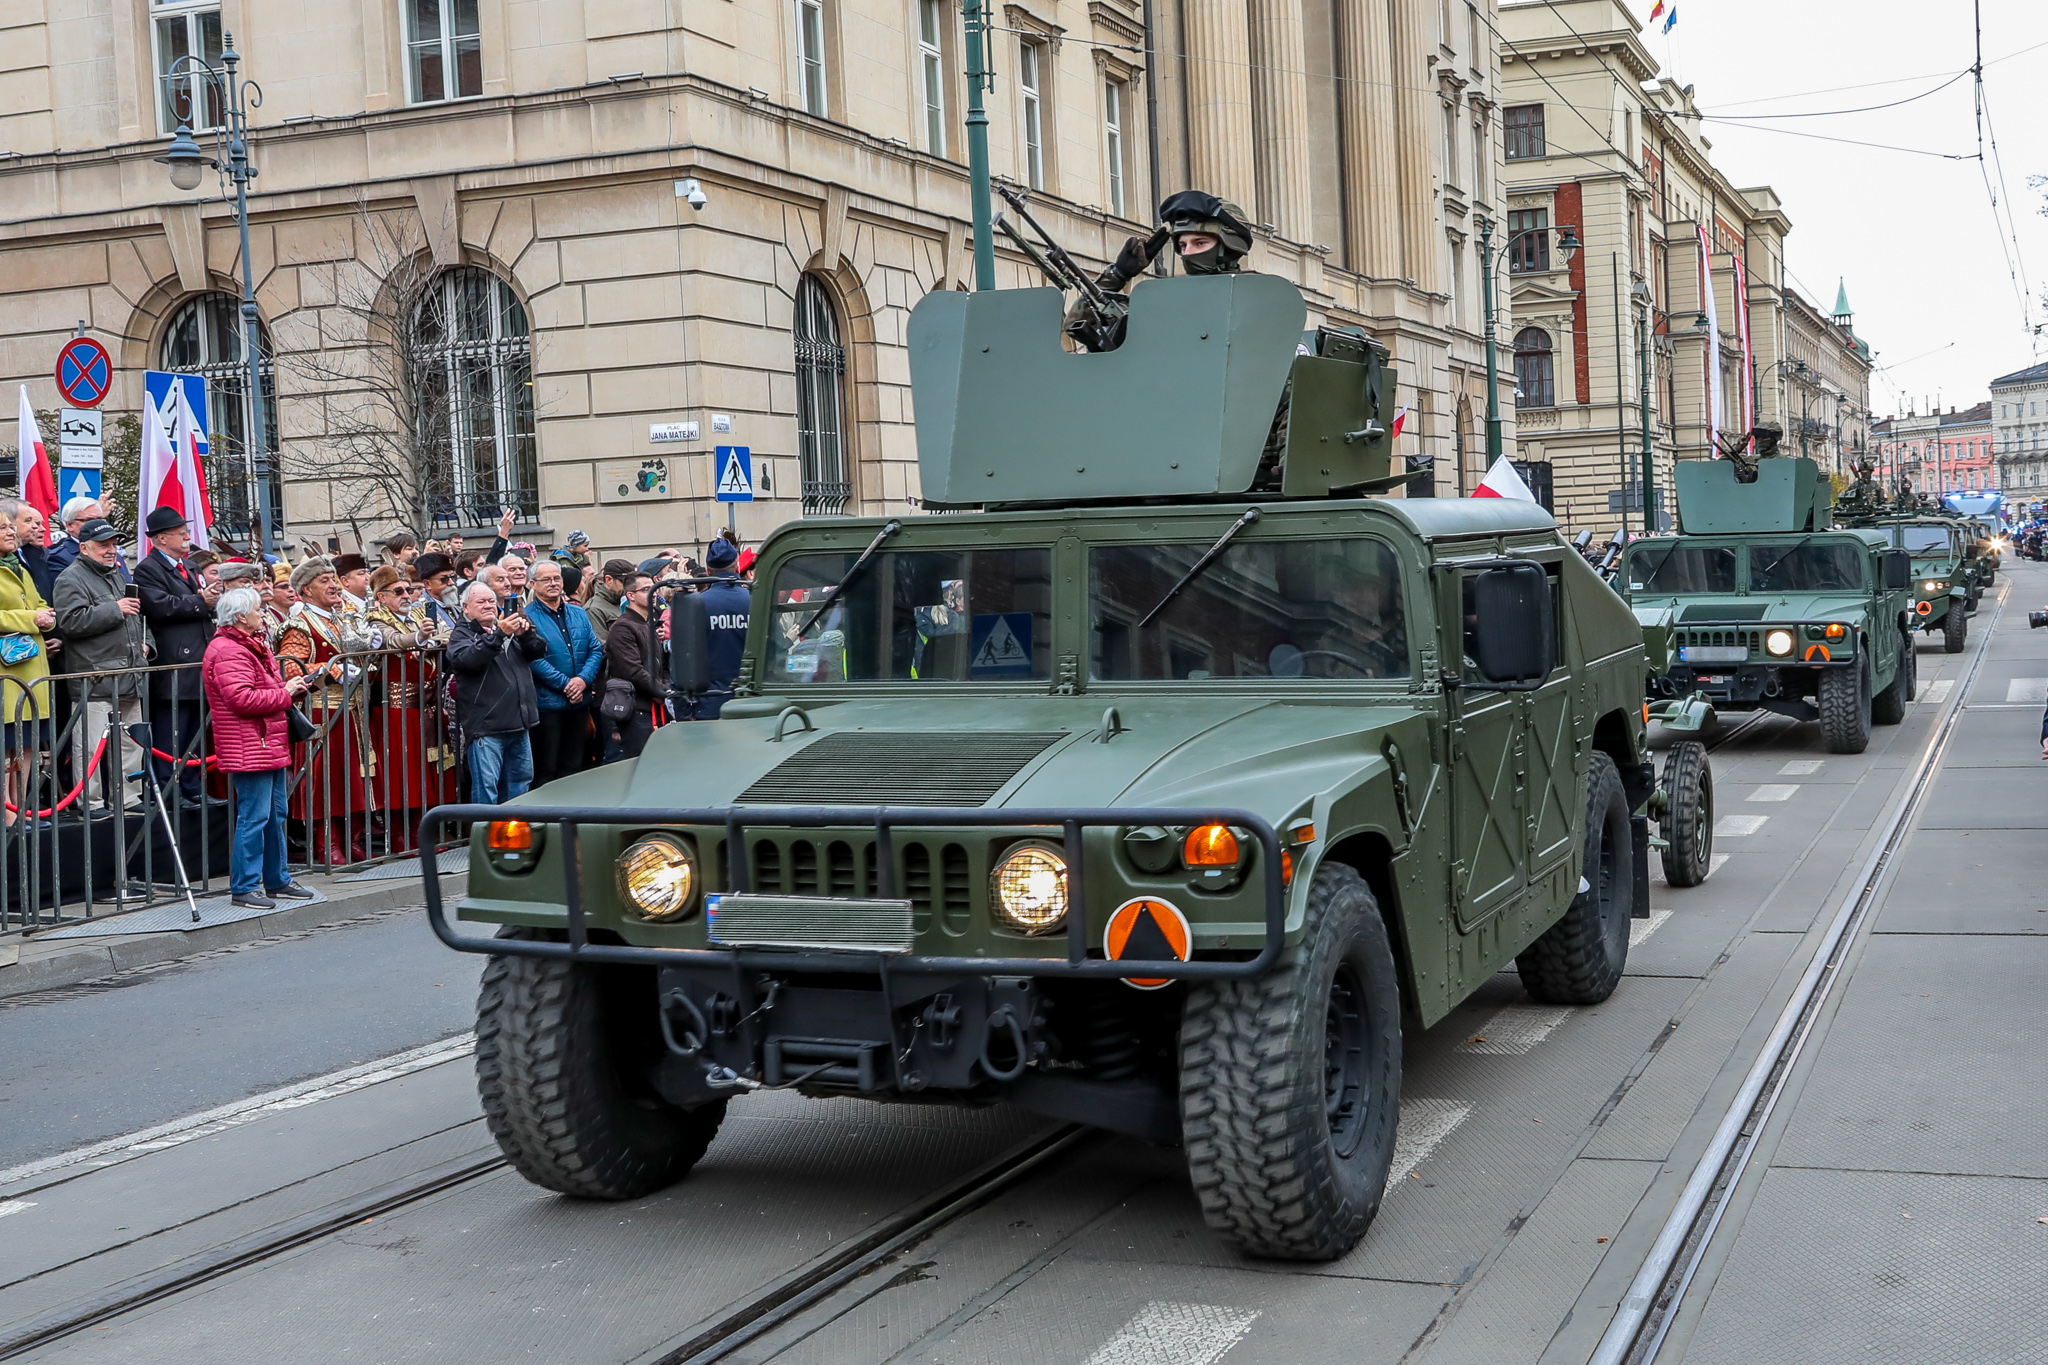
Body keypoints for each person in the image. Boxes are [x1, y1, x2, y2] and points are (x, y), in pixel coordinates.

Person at [203, 586, 319, 909]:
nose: (262, 613)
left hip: (266, 740)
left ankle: (276, 879)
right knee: (255, 816)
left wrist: (290, 690)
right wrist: (285, 692)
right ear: (241, 616)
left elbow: (260, 690)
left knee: (275, 814)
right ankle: (245, 886)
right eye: (257, 608)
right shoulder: (228, 650)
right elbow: (241, 699)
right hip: (251, 742)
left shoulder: (251, 644)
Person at [275, 557, 376, 864]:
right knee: (326, 781)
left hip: (354, 710)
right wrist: (329, 670)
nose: (334, 585)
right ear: (305, 590)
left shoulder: (343, 617)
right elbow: (288, 668)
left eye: (334, 579)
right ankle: (326, 844)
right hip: (322, 712)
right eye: (324, 581)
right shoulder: (300, 625)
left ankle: (352, 838)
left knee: (357, 777)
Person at [1064, 191, 1254, 351]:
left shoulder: (1254, 299)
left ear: (1229, 246)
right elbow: (1076, 325)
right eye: (1182, 245)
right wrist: (1118, 275)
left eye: (1200, 243)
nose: (1187, 252)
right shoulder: (1164, 302)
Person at [52, 517, 151, 812]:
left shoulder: (117, 574)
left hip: (129, 672)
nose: (111, 550)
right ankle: (91, 803)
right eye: (103, 545)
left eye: (113, 544)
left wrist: (148, 643)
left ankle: (129, 797)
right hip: (94, 676)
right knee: (91, 745)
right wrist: (114, 609)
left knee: (132, 743)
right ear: (83, 547)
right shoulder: (70, 578)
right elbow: (70, 622)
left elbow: (138, 615)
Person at [134, 506, 219, 803]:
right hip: (174, 662)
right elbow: (160, 606)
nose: (187, 537)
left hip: (199, 659)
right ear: (160, 539)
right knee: (172, 731)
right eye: (180, 533)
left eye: (186, 531)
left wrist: (212, 600)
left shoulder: (191, 567)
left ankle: (193, 786)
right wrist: (200, 601)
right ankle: (169, 791)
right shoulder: (148, 569)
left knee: (195, 730)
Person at [446, 581, 544, 803]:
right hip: (487, 727)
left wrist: (526, 635)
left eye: (491, 601)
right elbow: (468, 660)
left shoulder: (507, 625)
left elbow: (539, 651)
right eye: (480, 602)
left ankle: (517, 835)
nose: (488, 605)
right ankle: (486, 836)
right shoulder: (461, 634)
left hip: (520, 722)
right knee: (487, 791)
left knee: (521, 785)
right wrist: (499, 635)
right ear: (465, 608)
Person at [0, 499, 56, 825]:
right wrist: (30, 617)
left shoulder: (18, 564)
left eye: (10, 527)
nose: (10, 532)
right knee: (6, 747)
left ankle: (22, 808)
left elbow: (37, 602)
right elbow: (21, 612)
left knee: (26, 745)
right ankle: (6, 815)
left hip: (31, 665)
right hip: (7, 672)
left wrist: (45, 614)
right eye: (3, 528)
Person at [524, 560, 600, 787]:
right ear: (532, 584)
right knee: (547, 768)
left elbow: (595, 649)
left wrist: (582, 680)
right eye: (545, 579)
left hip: (579, 703)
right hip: (548, 705)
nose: (553, 583)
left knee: (574, 767)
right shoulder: (527, 616)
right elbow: (533, 659)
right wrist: (566, 684)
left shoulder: (578, 613)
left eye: (556, 578)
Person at [602, 572, 665, 761]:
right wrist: (661, 691)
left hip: (654, 705)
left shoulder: (648, 625)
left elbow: (662, 666)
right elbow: (632, 671)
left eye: (653, 588)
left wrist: (666, 689)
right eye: (646, 589)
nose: (653, 593)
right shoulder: (623, 628)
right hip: (636, 709)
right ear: (630, 595)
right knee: (639, 764)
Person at [689, 538, 752, 719]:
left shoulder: (696, 604)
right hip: (753, 701)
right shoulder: (755, 601)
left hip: (708, 705)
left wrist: (684, 711)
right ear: (738, 567)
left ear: (708, 571)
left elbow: (683, 658)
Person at [47, 496, 102, 578]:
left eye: (99, 519)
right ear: (69, 525)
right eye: (89, 520)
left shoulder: (112, 552)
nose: (96, 525)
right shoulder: (59, 558)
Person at [587, 557, 633, 637]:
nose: (629, 587)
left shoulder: (626, 601)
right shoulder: (594, 609)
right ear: (609, 580)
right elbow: (602, 645)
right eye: (625, 582)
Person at [415, 552, 458, 627]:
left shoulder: (458, 608)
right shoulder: (418, 611)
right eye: (443, 579)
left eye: (453, 577)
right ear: (427, 584)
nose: (451, 583)